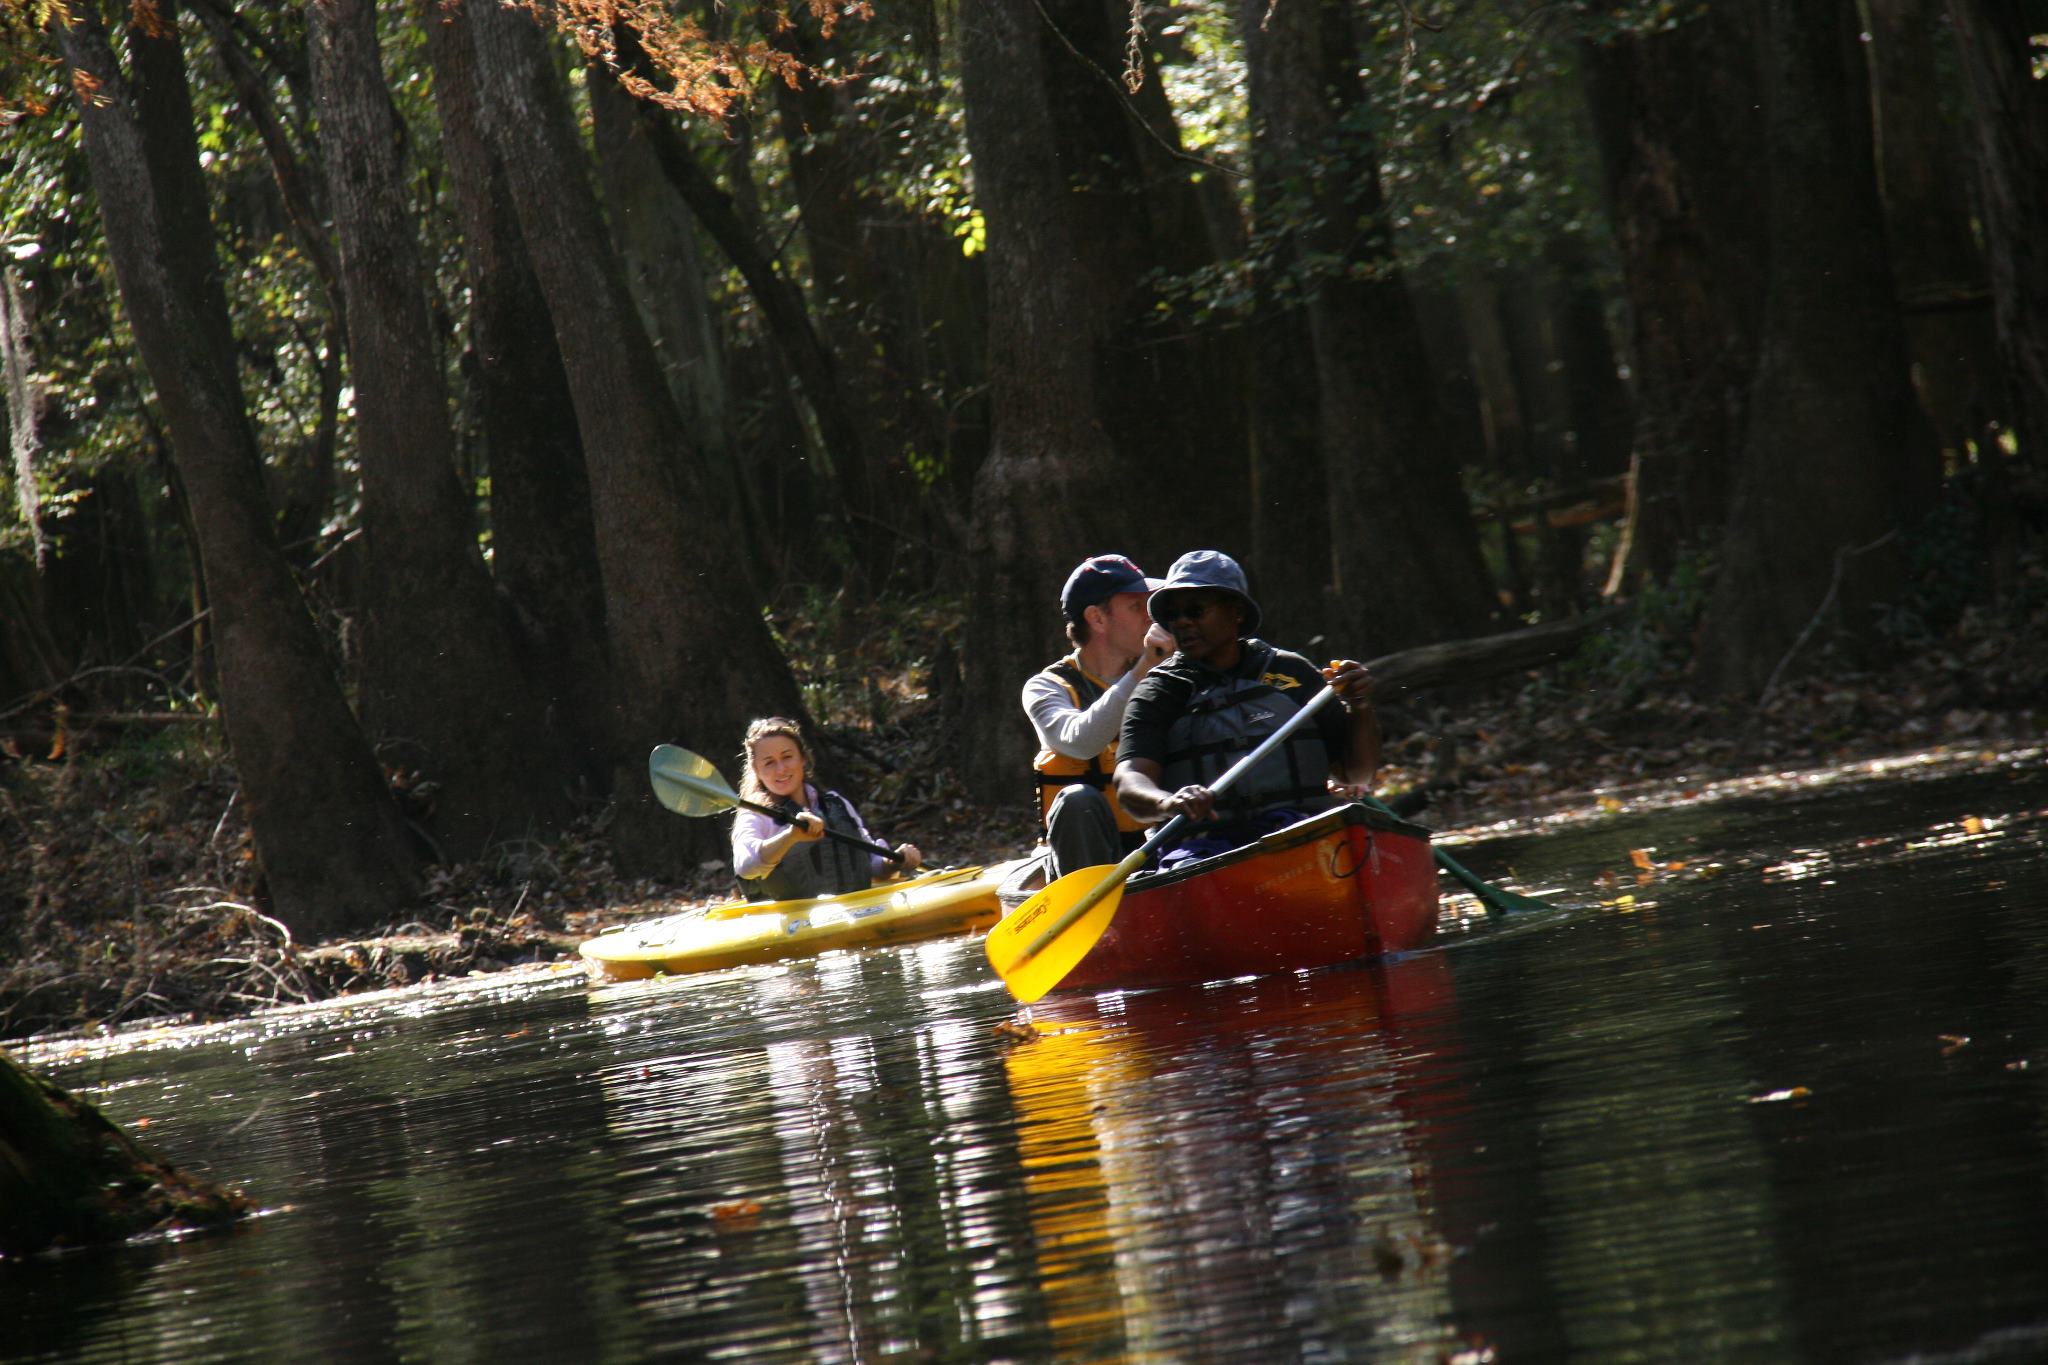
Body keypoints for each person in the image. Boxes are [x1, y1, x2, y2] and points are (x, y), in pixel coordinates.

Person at [1114, 550, 1379, 870]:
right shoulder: (1159, 691)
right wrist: (1167, 802)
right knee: (1185, 867)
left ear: (1236, 611)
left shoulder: (1292, 674)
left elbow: (1356, 773)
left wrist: (1358, 705)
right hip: (1204, 848)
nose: (1182, 622)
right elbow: (1130, 782)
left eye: (1195, 610)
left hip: (1300, 832)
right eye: (1173, 613)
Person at [1023, 554, 1178, 878]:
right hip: (1085, 860)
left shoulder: (1168, 676)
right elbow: (1080, 743)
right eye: (1137, 608)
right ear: (1097, 619)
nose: (1151, 620)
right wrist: (1145, 669)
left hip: (1159, 847)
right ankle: (1096, 920)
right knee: (1077, 800)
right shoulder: (1047, 688)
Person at [730, 716, 921, 900]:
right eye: (769, 762)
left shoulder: (836, 803)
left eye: (787, 757)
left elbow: (872, 864)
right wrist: (790, 836)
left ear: (802, 759)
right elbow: (746, 866)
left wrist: (894, 862)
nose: (781, 769)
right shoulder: (754, 815)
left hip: (856, 908)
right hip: (795, 920)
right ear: (756, 770)